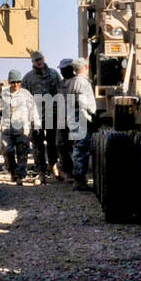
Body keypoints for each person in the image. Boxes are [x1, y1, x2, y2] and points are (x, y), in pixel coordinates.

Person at [21, 51, 62, 184]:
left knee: (52, 144)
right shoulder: (28, 78)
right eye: (36, 60)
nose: (39, 62)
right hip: (36, 116)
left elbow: (60, 93)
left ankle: (54, 167)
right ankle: (41, 173)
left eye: (40, 59)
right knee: (38, 145)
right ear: (32, 62)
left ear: (43, 59)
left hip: (51, 114)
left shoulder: (54, 74)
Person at [64, 58, 96, 191]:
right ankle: (79, 181)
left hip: (73, 118)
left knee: (78, 148)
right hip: (81, 118)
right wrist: (92, 111)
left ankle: (79, 179)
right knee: (81, 150)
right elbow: (83, 102)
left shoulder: (70, 82)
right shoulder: (82, 83)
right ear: (86, 67)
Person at [1, 70, 38, 184]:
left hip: (22, 128)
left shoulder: (26, 94)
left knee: (22, 153)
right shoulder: (3, 94)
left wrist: (36, 124)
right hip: (7, 129)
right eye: (13, 82)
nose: (15, 85)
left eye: (18, 82)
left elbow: (33, 110)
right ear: (9, 82)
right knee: (8, 151)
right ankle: (13, 172)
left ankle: (20, 176)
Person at [55, 58, 76, 182]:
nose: (62, 72)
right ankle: (68, 172)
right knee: (61, 145)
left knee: (75, 147)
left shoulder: (78, 82)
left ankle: (77, 174)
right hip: (62, 120)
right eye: (61, 70)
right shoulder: (61, 84)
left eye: (64, 69)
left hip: (75, 119)